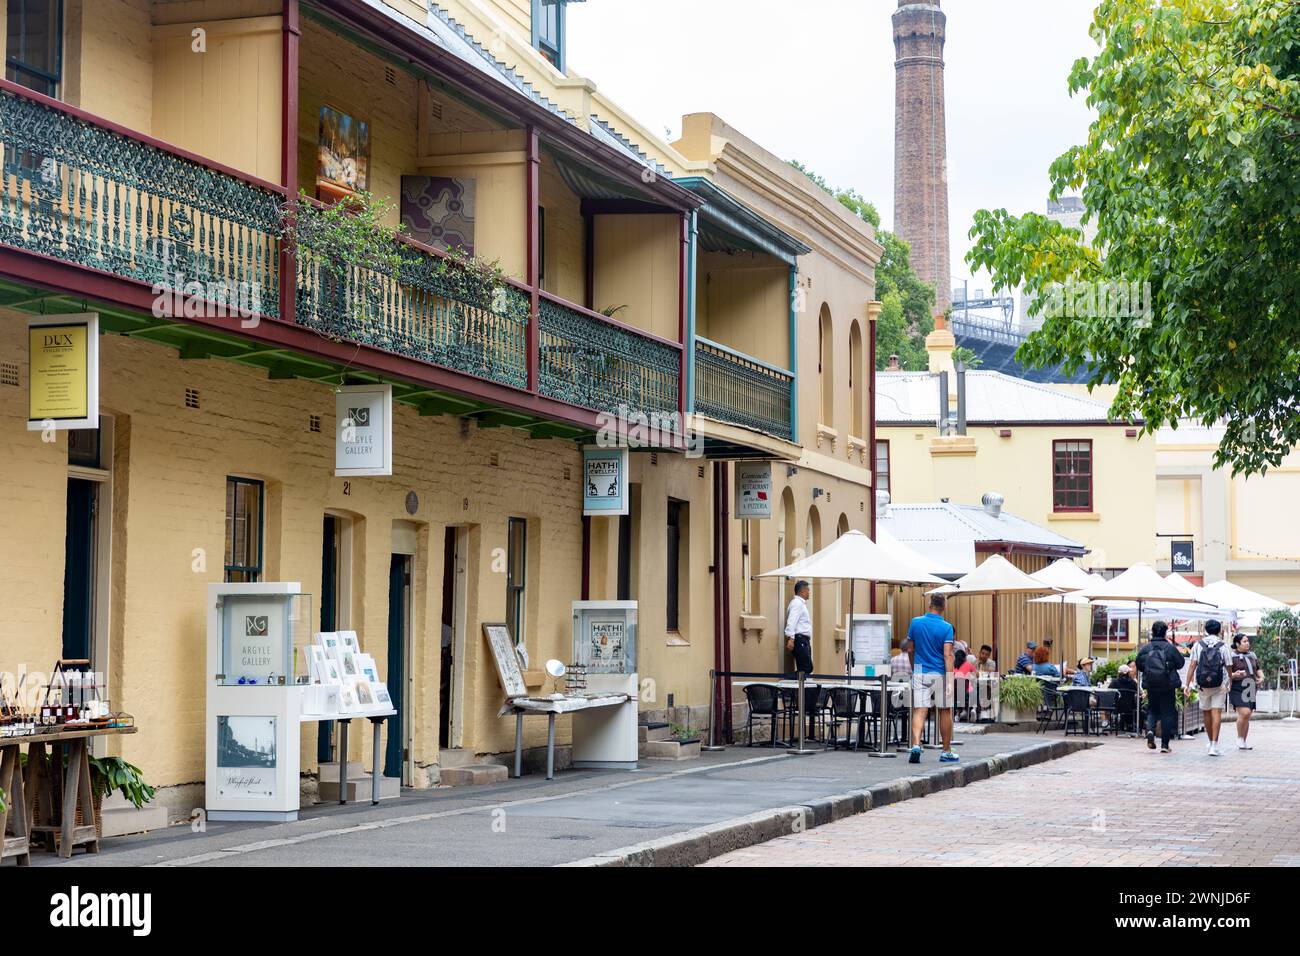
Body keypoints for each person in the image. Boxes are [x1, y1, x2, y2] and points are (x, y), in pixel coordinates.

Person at [906, 593, 958, 764]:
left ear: (929, 604)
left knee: (920, 710)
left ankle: (915, 745)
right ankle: (946, 751)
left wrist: (915, 669)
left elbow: (910, 650)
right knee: (944, 711)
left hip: (920, 672)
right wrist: (950, 679)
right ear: (943, 607)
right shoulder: (947, 627)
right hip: (939, 673)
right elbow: (948, 654)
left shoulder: (915, 623)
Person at [1136, 620, 1184, 753]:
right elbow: (1180, 663)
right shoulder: (1170, 648)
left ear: (1152, 632)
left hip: (1151, 685)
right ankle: (1164, 745)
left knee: (1152, 710)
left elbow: (1139, 665)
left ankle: (1150, 730)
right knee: (1167, 714)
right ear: (1165, 632)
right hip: (1168, 685)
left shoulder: (1146, 648)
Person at [1186, 619, 1231, 756]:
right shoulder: (1223, 645)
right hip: (1219, 683)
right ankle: (1214, 745)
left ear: (1206, 630)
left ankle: (1210, 741)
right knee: (1216, 712)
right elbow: (1229, 665)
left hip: (1202, 684)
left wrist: (1187, 684)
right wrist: (1230, 680)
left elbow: (1192, 665)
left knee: (1206, 712)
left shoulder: (1198, 645)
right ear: (1219, 630)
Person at [1229, 633, 1264, 750]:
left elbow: (1258, 668)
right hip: (1237, 687)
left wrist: (1261, 677)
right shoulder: (1231, 656)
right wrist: (1234, 675)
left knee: (1247, 715)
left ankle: (1243, 740)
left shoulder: (1252, 655)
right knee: (1245, 712)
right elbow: (1226, 674)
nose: (1247, 643)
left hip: (1250, 686)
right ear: (1237, 644)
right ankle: (1239, 738)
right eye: (1244, 641)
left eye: (1247, 641)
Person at [784, 580, 814, 676]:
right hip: (800, 639)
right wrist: (791, 639)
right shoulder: (797, 604)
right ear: (802, 591)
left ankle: (796, 688)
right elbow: (792, 621)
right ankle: (788, 686)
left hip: (803, 640)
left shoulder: (800, 604)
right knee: (806, 667)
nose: (809, 592)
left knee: (806, 667)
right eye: (808, 590)